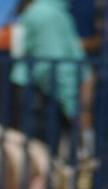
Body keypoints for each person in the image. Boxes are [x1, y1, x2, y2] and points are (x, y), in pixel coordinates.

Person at [9, 0, 91, 144]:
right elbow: (50, 67)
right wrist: (72, 109)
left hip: (49, 97)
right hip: (42, 98)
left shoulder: (57, 12)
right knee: (40, 153)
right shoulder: (46, 14)